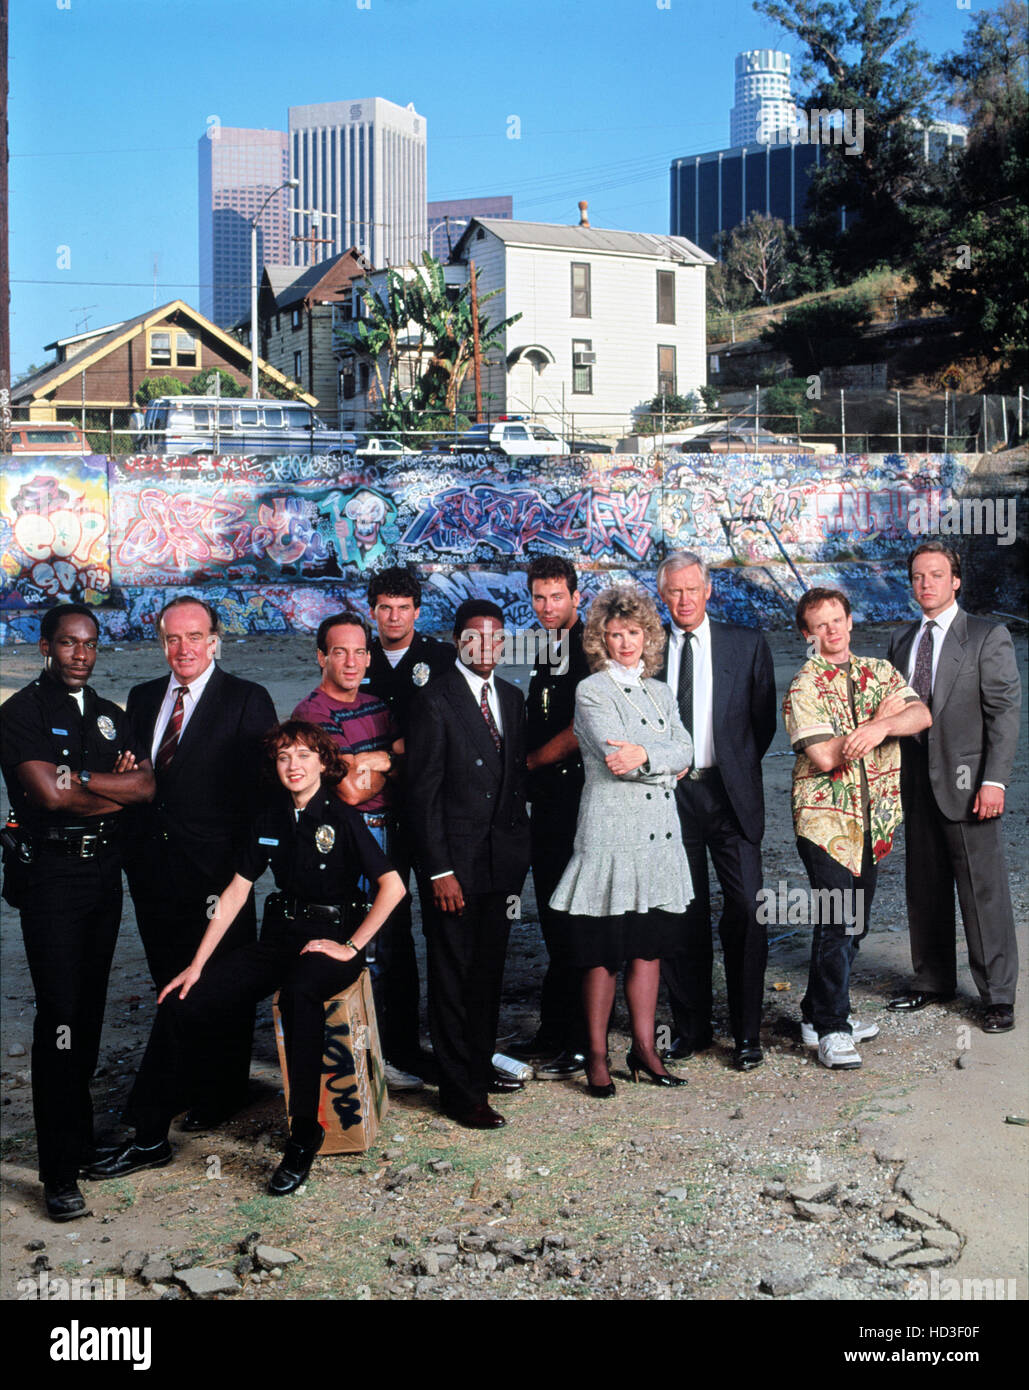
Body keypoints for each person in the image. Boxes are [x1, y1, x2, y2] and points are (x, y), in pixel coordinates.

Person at [86, 722, 406, 1195]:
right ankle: (150, 1138)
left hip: (330, 941)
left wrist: (351, 946)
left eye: (302, 755)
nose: (293, 766)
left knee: (299, 996)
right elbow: (236, 892)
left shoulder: (341, 815)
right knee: (181, 1000)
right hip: (280, 938)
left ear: (322, 762)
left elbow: (393, 887)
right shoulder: (270, 818)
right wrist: (197, 966)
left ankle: (303, 1136)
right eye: (283, 758)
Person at [0, 603, 155, 1222]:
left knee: (89, 1010)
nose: (80, 655)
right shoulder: (20, 714)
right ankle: (58, 1173)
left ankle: (80, 1141)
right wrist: (97, 791)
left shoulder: (112, 717)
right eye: (69, 644)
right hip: (51, 879)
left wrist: (83, 784)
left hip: (101, 878)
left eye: (89, 645)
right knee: (59, 1016)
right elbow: (45, 793)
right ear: (46, 646)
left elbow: (144, 789)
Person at [123, 596, 277, 1130]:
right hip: (153, 869)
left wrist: (248, 866)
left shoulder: (246, 699)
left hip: (219, 873)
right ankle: (182, 1081)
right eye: (173, 638)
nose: (184, 649)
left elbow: (264, 793)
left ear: (214, 640)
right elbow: (135, 778)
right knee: (171, 975)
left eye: (195, 637)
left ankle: (223, 1091)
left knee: (220, 981)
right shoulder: (142, 699)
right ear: (162, 642)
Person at [549, 584, 693, 1097]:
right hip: (612, 835)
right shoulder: (591, 691)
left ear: (647, 636)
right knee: (604, 953)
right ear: (601, 640)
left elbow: (687, 749)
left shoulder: (659, 691)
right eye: (615, 634)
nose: (626, 642)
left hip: (658, 839)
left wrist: (653, 756)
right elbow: (620, 762)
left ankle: (645, 1050)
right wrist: (663, 761)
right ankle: (597, 1056)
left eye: (633, 633)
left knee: (648, 949)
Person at [782, 589, 930, 1069]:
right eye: (821, 625)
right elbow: (825, 756)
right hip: (825, 822)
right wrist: (876, 724)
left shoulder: (878, 670)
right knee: (839, 919)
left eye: (839, 619)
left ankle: (813, 1012)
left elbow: (921, 714)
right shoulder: (805, 685)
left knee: (856, 922)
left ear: (850, 620)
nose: (833, 630)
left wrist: (883, 727)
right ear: (808, 634)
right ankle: (831, 1027)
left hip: (875, 818)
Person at [886, 542, 1021, 1033]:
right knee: (924, 886)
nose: (927, 584)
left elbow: (1003, 714)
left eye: (937, 575)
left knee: (982, 893)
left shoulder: (987, 636)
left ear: (955, 581)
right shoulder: (902, 641)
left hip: (968, 784)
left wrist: (993, 780)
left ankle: (998, 996)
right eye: (919, 576)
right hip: (914, 782)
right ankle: (932, 980)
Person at [405, 600, 531, 1129]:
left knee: (487, 976)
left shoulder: (511, 697)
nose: (486, 647)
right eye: (475, 637)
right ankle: (460, 1094)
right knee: (453, 978)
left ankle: (477, 1071)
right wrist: (438, 871)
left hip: (501, 867)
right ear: (457, 641)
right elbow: (421, 795)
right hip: (453, 870)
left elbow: (514, 785)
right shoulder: (433, 699)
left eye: (496, 638)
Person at [655, 550, 777, 1072]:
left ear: (708, 592)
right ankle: (691, 1028)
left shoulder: (746, 645)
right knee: (683, 914)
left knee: (748, 909)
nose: (683, 600)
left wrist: (728, 765)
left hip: (730, 797)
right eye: (673, 591)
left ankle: (747, 1034)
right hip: (670, 798)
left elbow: (761, 724)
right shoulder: (650, 649)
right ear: (664, 595)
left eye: (691, 589)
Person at [292, 611, 417, 1090]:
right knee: (368, 950)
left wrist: (376, 761)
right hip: (358, 837)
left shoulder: (377, 703)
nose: (351, 661)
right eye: (339, 651)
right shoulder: (313, 714)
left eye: (360, 651)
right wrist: (388, 762)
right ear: (321, 656)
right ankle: (368, 1064)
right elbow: (350, 793)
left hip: (393, 831)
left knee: (398, 946)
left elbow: (410, 762)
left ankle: (397, 1051)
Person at [361, 566, 454, 1078]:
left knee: (446, 925)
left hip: (433, 810)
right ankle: (395, 1045)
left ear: (418, 611)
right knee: (389, 931)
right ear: (372, 610)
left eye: (403, 608)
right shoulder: (357, 657)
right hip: (377, 817)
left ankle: (450, 1039)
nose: (394, 617)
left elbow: (454, 729)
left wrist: (394, 750)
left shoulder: (439, 659)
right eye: (384, 608)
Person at [507, 556, 591, 1080]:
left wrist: (529, 762)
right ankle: (556, 1029)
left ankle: (580, 1040)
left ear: (575, 597)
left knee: (574, 922)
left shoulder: (587, 647)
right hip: (549, 807)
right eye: (539, 598)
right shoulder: (548, 645)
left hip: (579, 805)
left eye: (556, 597)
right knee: (556, 921)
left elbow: (586, 724)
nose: (547, 607)